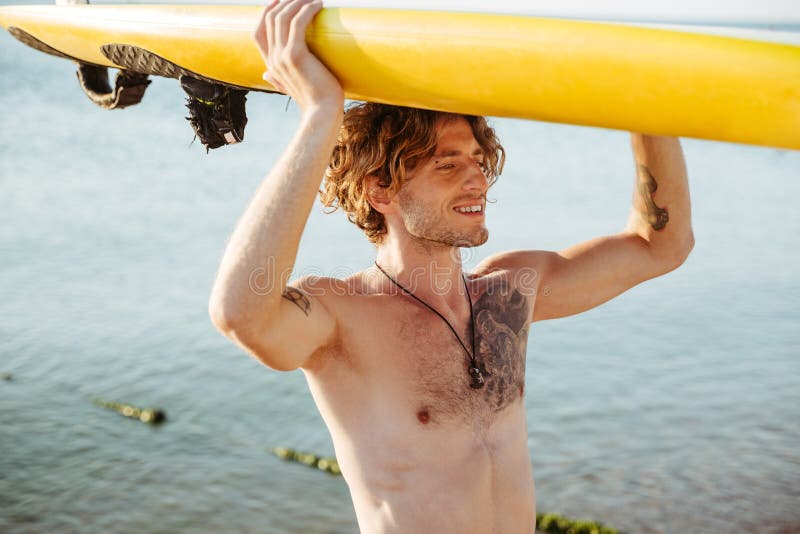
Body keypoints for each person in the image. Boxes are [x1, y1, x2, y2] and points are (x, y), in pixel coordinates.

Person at [208, 0, 694, 532]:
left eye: (477, 162)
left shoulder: (508, 294)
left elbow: (661, 245)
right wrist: (322, 114)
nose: (477, 181)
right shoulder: (341, 317)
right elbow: (240, 315)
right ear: (381, 189)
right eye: (448, 164)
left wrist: (646, 103)